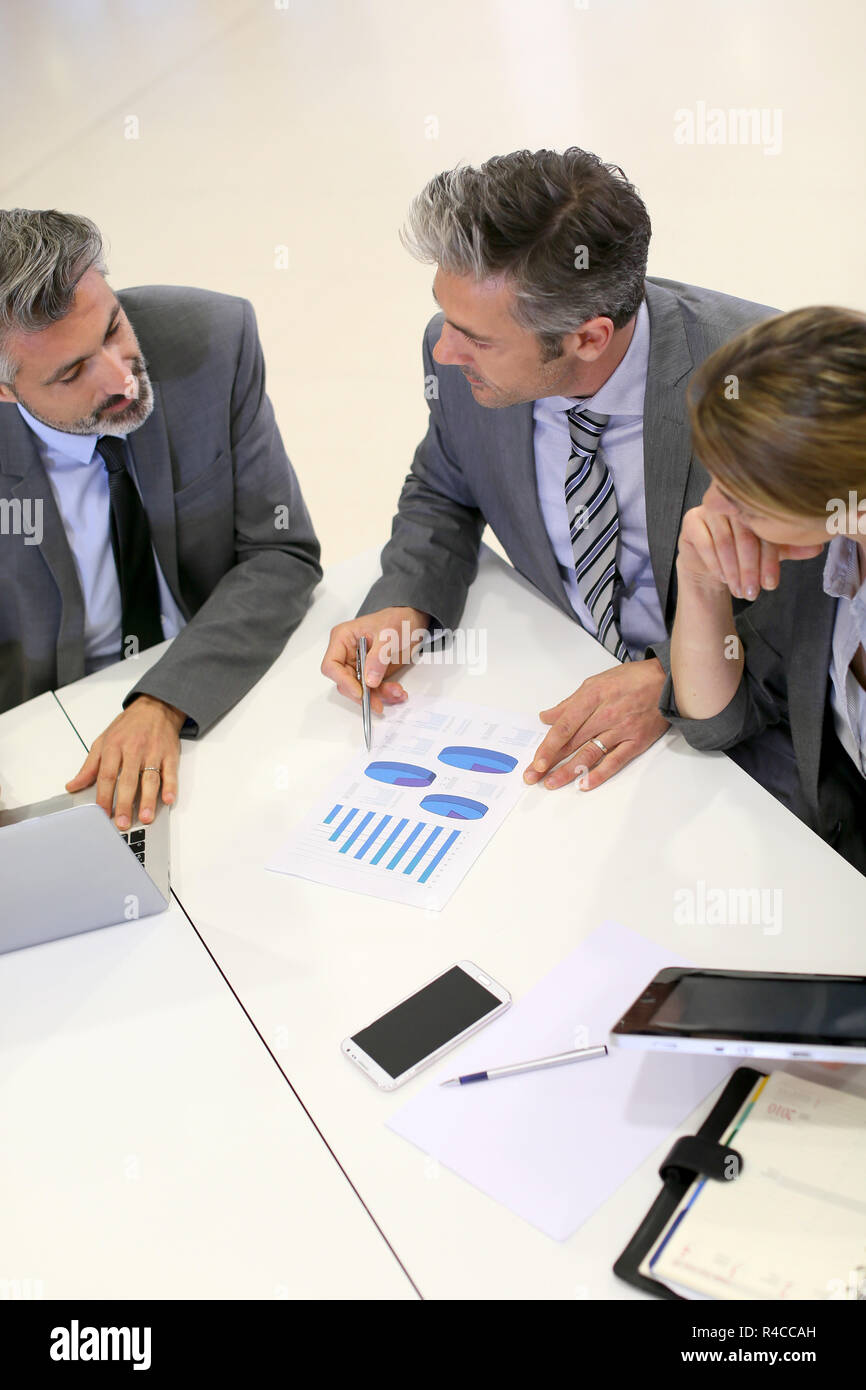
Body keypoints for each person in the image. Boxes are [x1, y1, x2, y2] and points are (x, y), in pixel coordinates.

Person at [320, 147, 778, 792]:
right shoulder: (457, 351)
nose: (444, 350)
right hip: (552, 675)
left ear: (588, 338)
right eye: (447, 320)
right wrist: (406, 601)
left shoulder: (764, 387)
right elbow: (446, 485)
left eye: (476, 339)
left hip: (734, 734)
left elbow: (823, 608)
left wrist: (672, 672)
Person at [0, 209, 321, 830]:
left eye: (113, 328)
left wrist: (164, 700)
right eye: (72, 372)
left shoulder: (213, 339)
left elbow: (281, 553)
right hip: (39, 738)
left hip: (212, 685)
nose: (122, 376)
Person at [664, 305, 866, 874]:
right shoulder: (829, 544)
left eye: (743, 497)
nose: (712, 508)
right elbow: (715, 721)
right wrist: (700, 581)